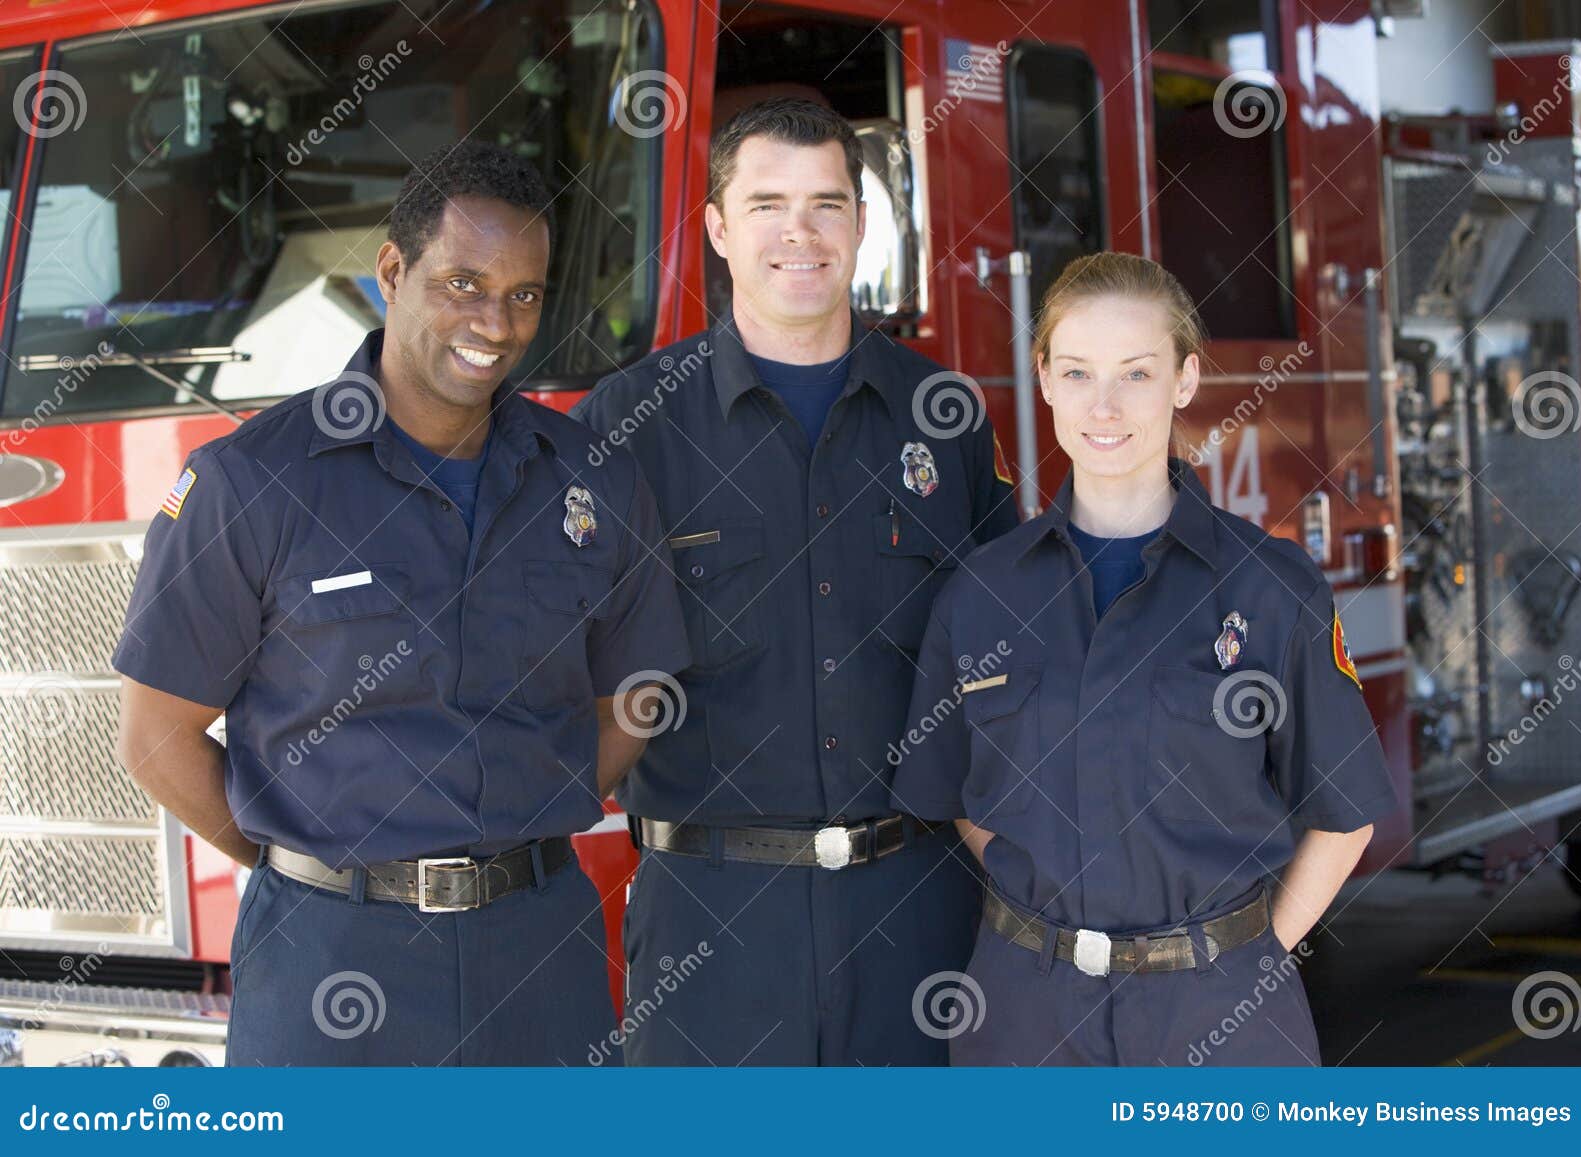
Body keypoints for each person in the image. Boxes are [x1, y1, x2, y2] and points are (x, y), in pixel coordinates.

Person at [112, 140, 690, 1066]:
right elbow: (154, 736)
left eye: (524, 294)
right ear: (393, 270)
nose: (495, 323)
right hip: (330, 962)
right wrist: (304, 867)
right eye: (464, 283)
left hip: (538, 951)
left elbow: (633, 694)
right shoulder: (253, 482)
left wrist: (531, 812)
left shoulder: (591, 479)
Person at [572, 97, 1019, 1065]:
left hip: (919, 912)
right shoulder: (630, 424)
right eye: (768, 202)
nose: (800, 233)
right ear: (720, 229)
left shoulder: (942, 415)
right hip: (711, 927)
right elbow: (553, 661)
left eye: (827, 202)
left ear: (862, 225)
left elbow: (1013, 665)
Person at [890, 251, 1397, 1066]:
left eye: (1136, 373)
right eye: (1080, 371)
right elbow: (963, 796)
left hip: (1220, 1014)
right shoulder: (981, 593)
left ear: (1185, 380)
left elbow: (1345, 814)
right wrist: (1053, 907)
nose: (1106, 404)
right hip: (1025, 1016)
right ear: (1045, 379)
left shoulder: (1270, 588)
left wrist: (1246, 959)